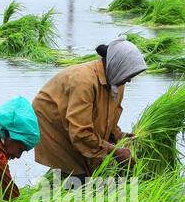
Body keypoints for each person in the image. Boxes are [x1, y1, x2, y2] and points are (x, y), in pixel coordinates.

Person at [32, 38, 147, 180]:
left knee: (93, 168)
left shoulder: (117, 82)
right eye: (128, 75)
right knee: (77, 173)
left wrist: (119, 136)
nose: (129, 80)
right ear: (117, 66)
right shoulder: (83, 81)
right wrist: (116, 152)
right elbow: (80, 133)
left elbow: (107, 116)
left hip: (74, 121)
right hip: (53, 123)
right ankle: (61, 189)